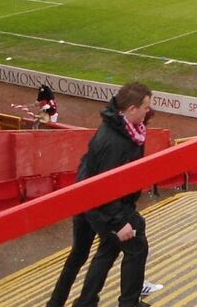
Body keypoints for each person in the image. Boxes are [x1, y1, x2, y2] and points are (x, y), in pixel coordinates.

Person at [64, 82, 154, 307]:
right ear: (131, 109)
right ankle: (128, 302)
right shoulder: (114, 141)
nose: (149, 111)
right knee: (136, 243)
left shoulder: (124, 129)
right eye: (145, 107)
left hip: (103, 204)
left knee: (107, 249)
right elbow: (102, 185)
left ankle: (85, 302)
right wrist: (119, 221)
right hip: (106, 207)